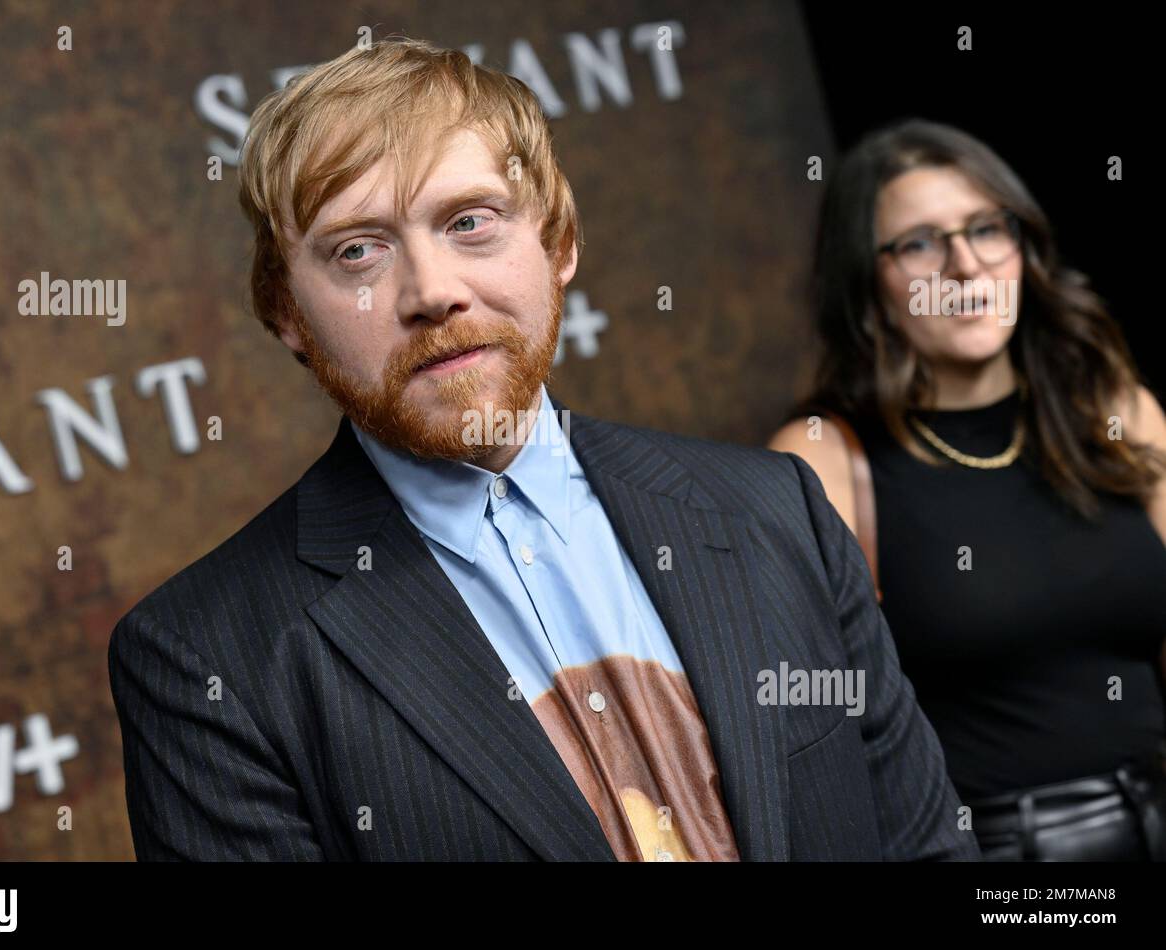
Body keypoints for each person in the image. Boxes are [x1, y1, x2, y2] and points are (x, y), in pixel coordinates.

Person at [108, 39, 977, 861]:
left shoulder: (775, 511)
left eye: (471, 221)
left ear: (559, 243)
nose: (433, 292)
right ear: (287, 315)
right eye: (359, 250)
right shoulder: (204, 657)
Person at [770, 119, 1166, 861]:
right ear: (869, 284)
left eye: (988, 228)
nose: (966, 267)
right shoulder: (823, 456)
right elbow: (806, 721)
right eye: (920, 244)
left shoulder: (1114, 407)